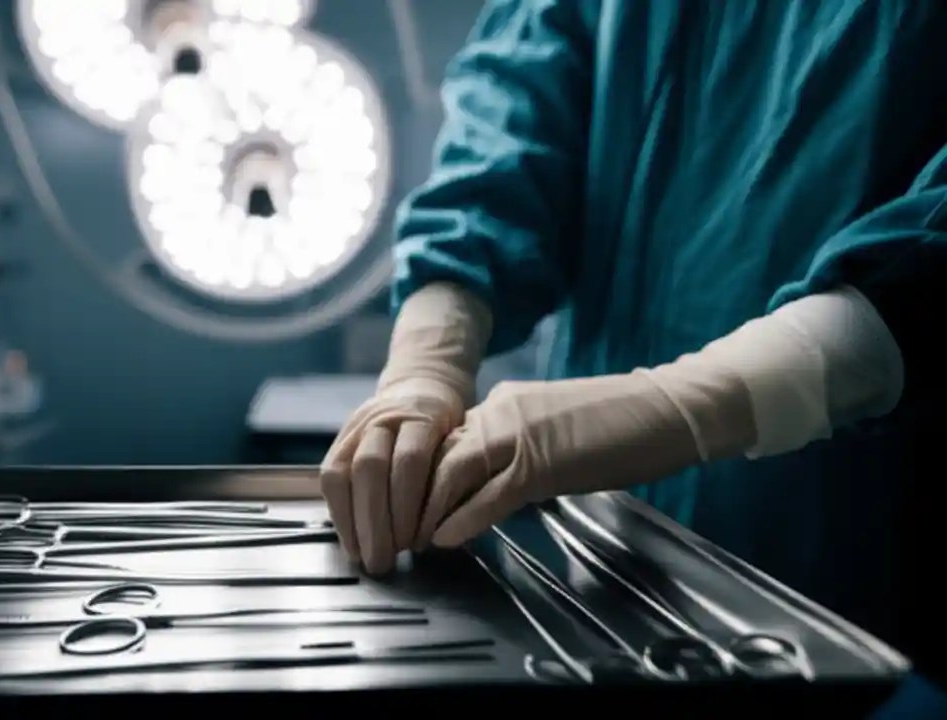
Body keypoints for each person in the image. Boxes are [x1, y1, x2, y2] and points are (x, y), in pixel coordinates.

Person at [320, 0, 946, 686]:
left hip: (854, 577)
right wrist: (425, 364)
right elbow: (509, 128)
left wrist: (686, 406)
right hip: (605, 578)